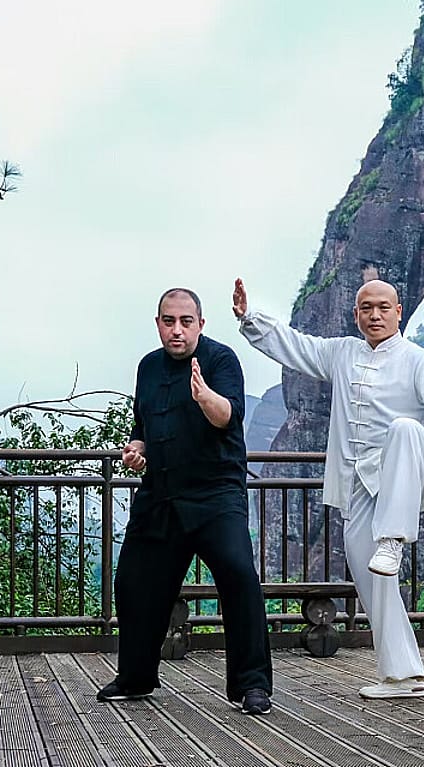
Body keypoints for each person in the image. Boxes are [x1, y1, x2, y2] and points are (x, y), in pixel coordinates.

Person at [233, 277, 424, 700]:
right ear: (356, 315)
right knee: (373, 579)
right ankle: (403, 676)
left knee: (404, 429)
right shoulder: (342, 353)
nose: (375, 315)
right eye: (366, 308)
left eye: (383, 307)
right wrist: (249, 317)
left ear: (399, 311)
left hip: (405, 470)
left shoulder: (418, 359)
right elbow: (296, 346)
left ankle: (393, 537)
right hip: (358, 484)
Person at [98, 288, 273, 715]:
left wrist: (203, 396)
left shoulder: (220, 360)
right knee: (133, 582)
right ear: (158, 322)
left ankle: (252, 684)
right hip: (160, 493)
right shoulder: (148, 367)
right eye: (168, 321)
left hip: (215, 493)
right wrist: (136, 449)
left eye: (186, 321)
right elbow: (143, 425)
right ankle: (136, 676)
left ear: (200, 323)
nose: (177, 330)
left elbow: (228, 415)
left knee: (238, 575)